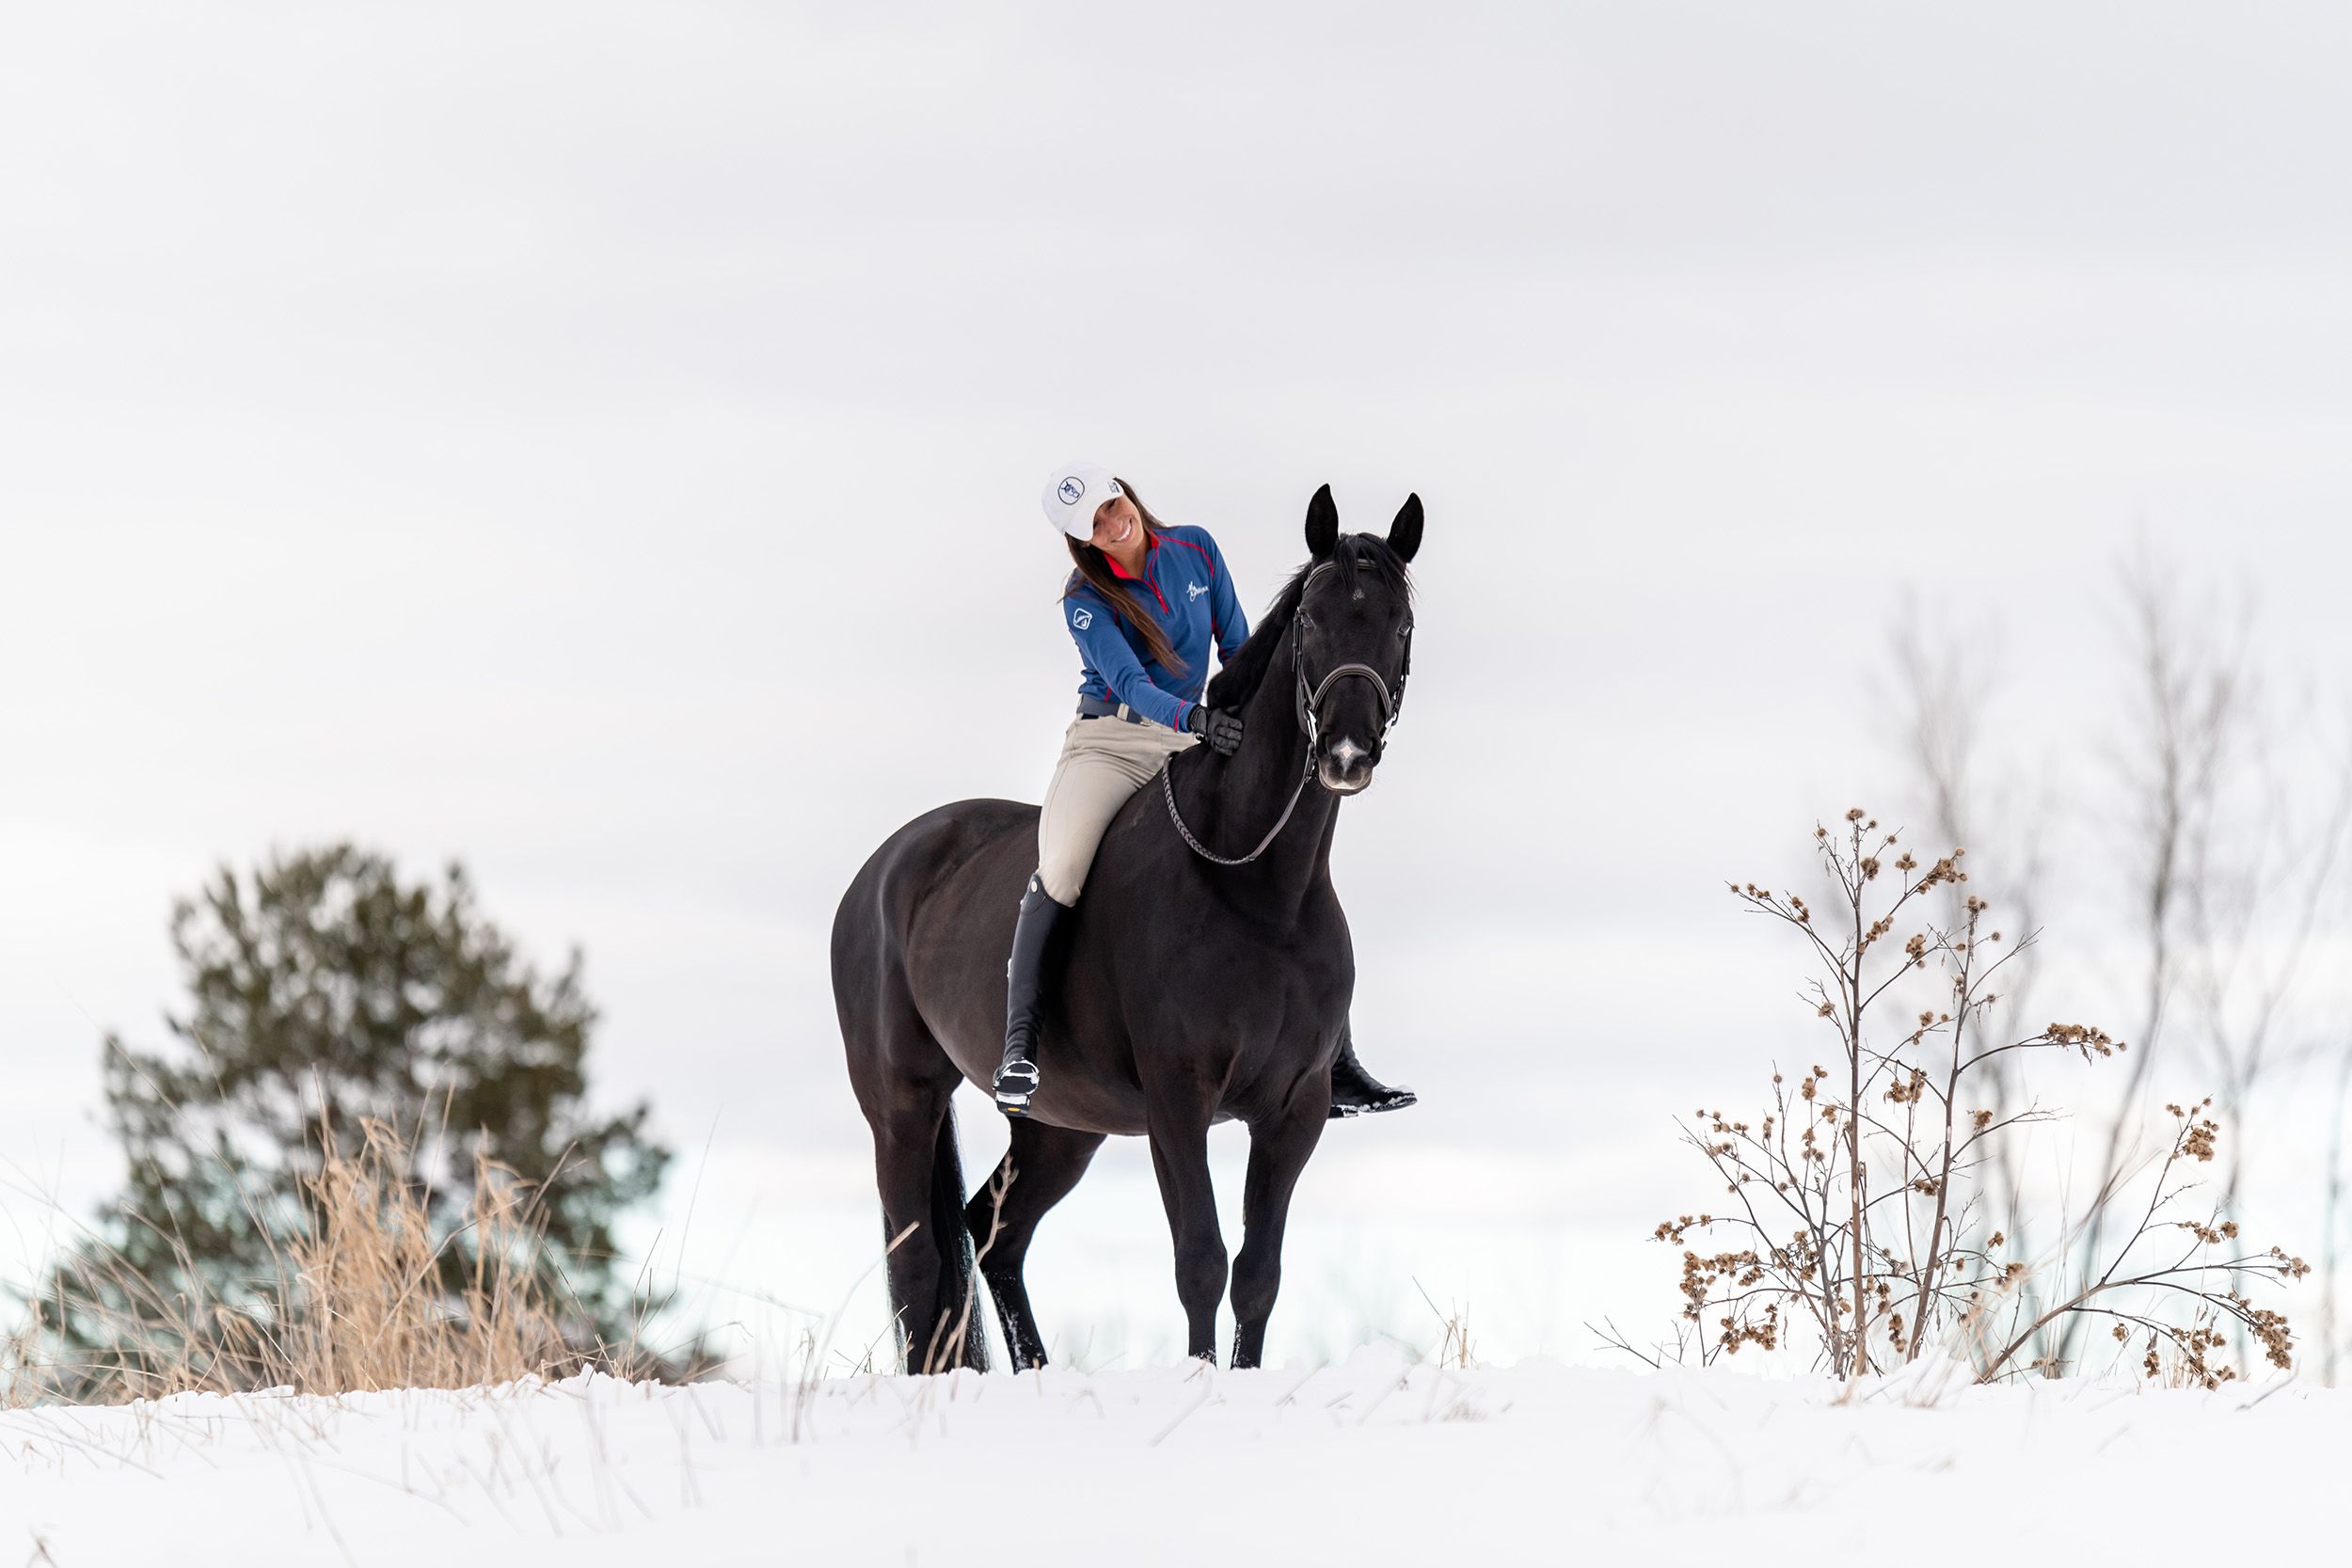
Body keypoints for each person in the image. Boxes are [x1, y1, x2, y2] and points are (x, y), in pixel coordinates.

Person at [991, 460, 1417, 1122]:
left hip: (1199, 735)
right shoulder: (1084, 598)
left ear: (1126, 492)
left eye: (1112, 503)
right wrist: (1194, 719)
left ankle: (1335, 1058)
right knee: (1064, 868)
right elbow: (1128, 682)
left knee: (1289, 861)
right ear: (1082, 542)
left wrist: (1252, 707)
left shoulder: (1195, 547)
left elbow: (1240, 644)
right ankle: (1020, 1046)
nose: (1112, 522)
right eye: (1094, 525)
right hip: (1113, 743)